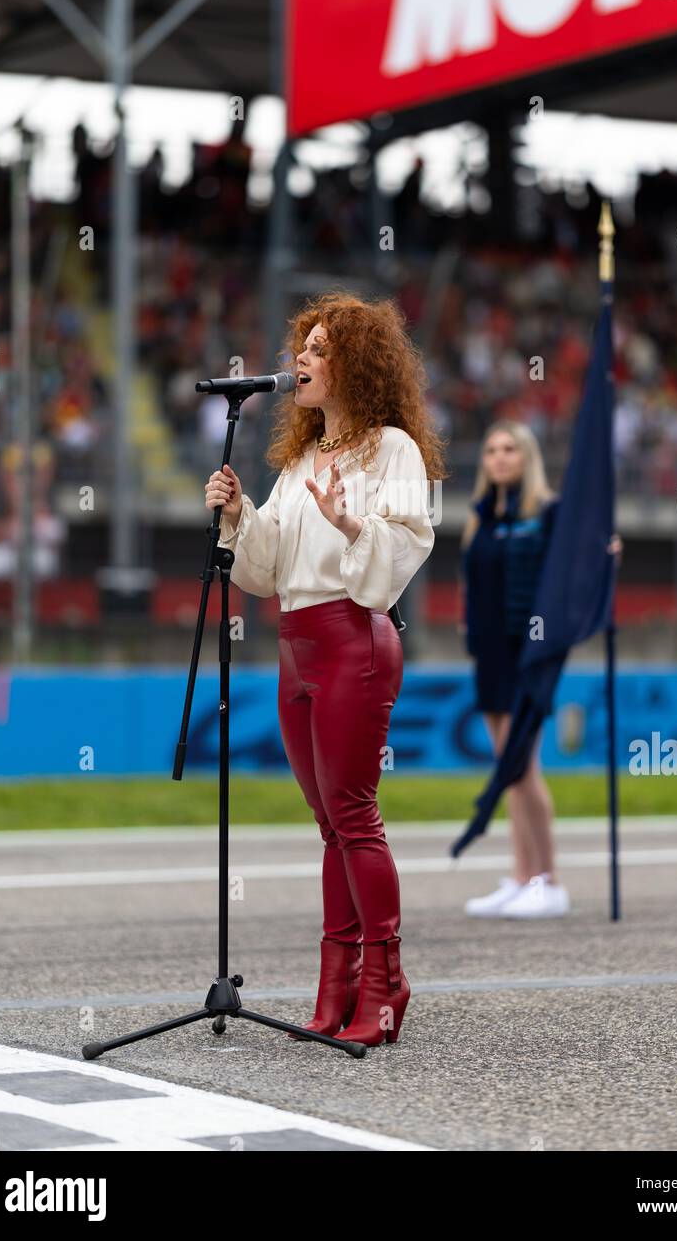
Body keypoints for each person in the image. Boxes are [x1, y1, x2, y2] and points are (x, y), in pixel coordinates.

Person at [205, 292, 447, 1046]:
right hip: (295, 643)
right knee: (329, 826)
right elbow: (268, 566)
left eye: (315, 348)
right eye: (300, 347)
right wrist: (240, 512)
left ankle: (383, 983)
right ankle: (335, 985)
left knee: (353, 816)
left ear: (355, 363)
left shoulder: (395, 450)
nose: (298, 360)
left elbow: (411, 541)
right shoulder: (300, 459)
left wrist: (354, 524)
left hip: (353, 639)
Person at [459, 419, 620, 919]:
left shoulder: (549, 514)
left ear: (527, 457)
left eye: (510, 449)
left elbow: (579, 566)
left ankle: (550, 881)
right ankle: (522, 876)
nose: (500, 457)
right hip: (489, 652)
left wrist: (605, 558)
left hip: (528, 653)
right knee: (507, 769)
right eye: (491, 449)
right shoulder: (482, 516)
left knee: (524, 768)